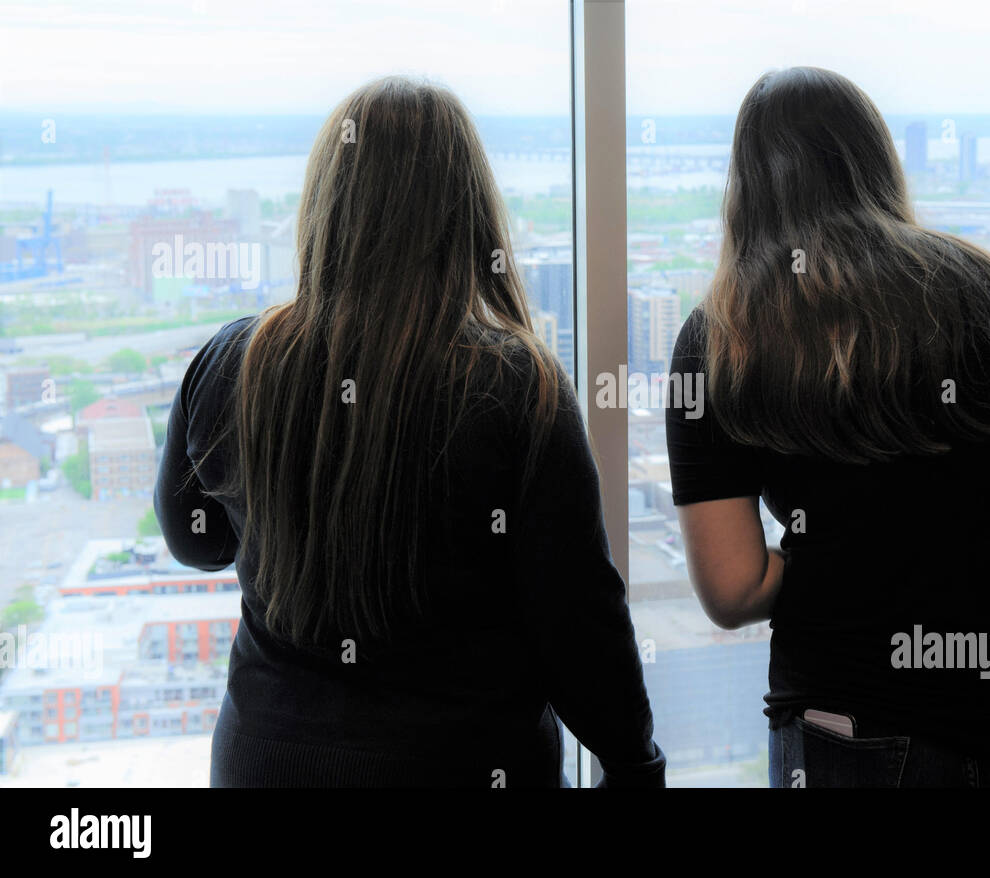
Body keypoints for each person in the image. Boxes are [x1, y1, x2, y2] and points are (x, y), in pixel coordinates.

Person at [155, 76, 664, 788]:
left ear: (325, 207)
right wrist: (635, 762)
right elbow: (578, 623)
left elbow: (195, 540)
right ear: (467, 216)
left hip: (268, 761)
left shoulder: (233, 362)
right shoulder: (517, 389)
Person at [666, 67, 990, 788]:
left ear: (747, 187)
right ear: (876, 159)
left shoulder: (725, 337)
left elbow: (733, 590)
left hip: (859, 723)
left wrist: (852, 547)